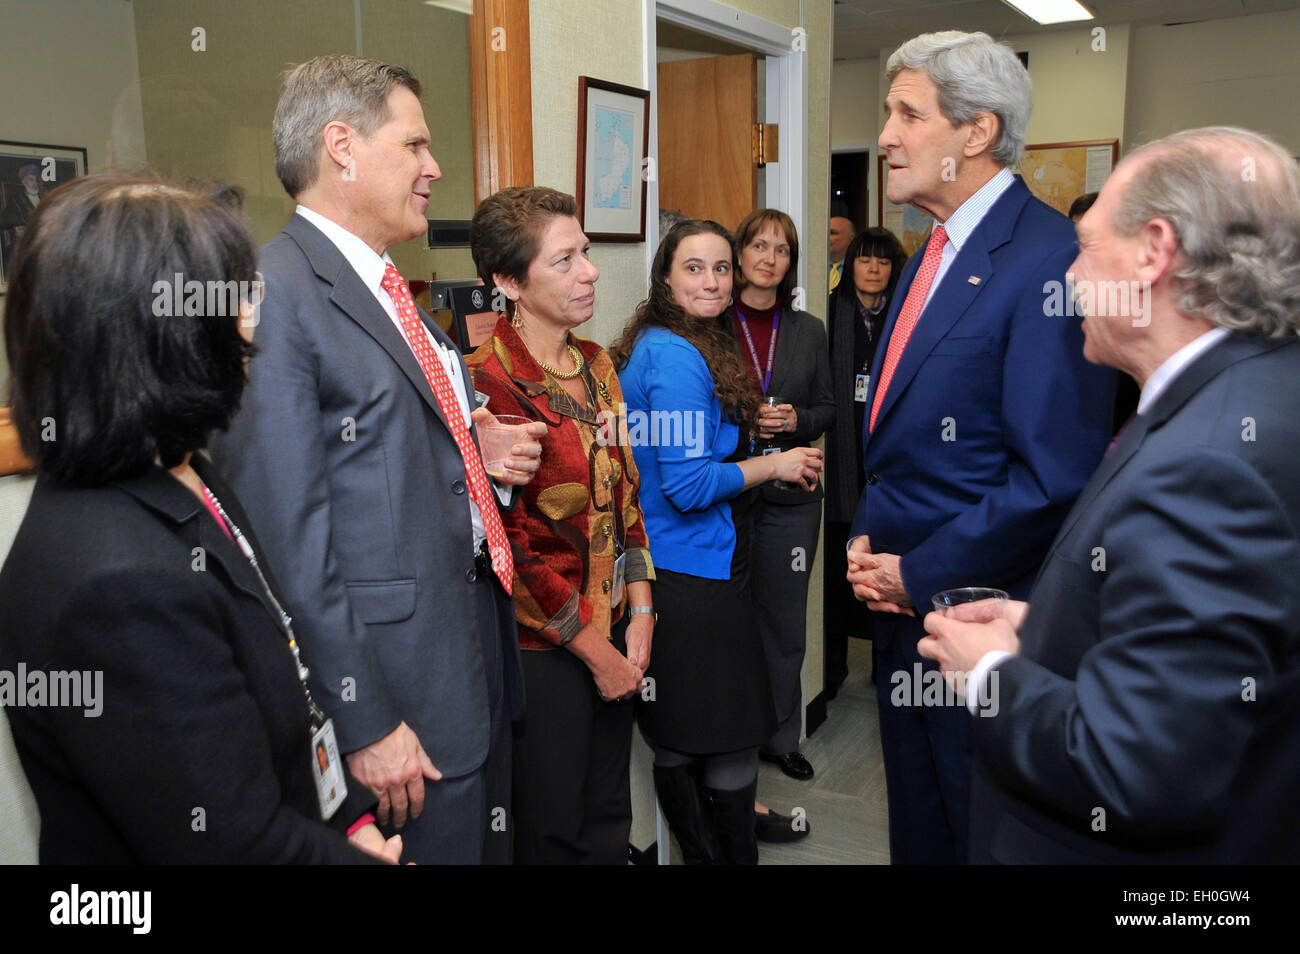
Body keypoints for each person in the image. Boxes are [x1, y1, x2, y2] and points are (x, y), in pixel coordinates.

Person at [921, 126, 1300, 863]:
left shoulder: (1209, 466)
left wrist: (990, 674)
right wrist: (1053, 630)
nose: (1069, 276)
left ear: (1154, 252)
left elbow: (1142, 768)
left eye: (1086, 247)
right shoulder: (1255, 390)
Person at [0, 172, 400, 863]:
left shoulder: (181, 470)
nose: (250, 316)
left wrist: (350, 819)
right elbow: (232, 843)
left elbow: (287, 684)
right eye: (233, 293)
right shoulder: (117, 584)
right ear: (163, 332)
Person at [209, 54, 544, 865]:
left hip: (470, 653)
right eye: (415, 144)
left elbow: (398, 445)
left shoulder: (390, 286)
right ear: (342, 147)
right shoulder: (276, 293)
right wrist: (362, 721)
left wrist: (478, 447)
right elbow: (286, 542)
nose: (435, 168)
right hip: (396, 699)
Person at [845, 30, 1113, 864]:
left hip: (983, 621)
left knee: (979, 835)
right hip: (901, 614)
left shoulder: (1048, 261)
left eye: (907, 114)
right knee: (920, 830)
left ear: (976, 132)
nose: (884, 136)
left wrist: (918, 572)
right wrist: (870, 538)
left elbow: (1055, 477)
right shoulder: (929, 253)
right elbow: (899, 435)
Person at [611, 220, 822, 864]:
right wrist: (776, 463)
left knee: (683, 732)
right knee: (727, 738)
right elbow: (690, 485)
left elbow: (688, 451)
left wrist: (751, 439)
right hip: (691, 574)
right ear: (665, 278)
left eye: (722, 268)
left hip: (676, 567)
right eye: (694, 267)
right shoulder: (675, 356)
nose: (712, 281)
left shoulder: (675, 341)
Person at [465, 186, 653, 864]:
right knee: (553, 832)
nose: (590, 272)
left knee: (608, 819)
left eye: (586, 252)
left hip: (618, 626)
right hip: (546, 651)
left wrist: (642, 610)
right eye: (565, 260)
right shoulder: (487, 384)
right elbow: (506, 548)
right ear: (509, 282)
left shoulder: (598, 364)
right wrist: (598, 653)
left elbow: (627, 497)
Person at [731, 208, 833, 805]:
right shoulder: (712, 326)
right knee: (731, 620)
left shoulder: (808, 330)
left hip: (793, 500)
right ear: (740, 253)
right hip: (728, 491)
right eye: (759, 245)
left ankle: (782, 737)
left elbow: (829, 409)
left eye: (782, 249)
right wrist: (746, 420)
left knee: (785, 624)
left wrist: (797, 421)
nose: (769, 258)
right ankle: (736, 736)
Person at [823, 227, 906, 697]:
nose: (874, 269)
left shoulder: (907, 315)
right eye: (864, 259)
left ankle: (884, 665)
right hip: (840, 455)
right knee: (839, 567)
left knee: (884, 557)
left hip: (890, 455)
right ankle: (831, 669)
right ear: (850, 265)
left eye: (883, 261)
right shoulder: (829, 313)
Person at [827, 200, 854, 293]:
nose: (827, 237)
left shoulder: (858, 269)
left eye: (833, 233)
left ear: (850, 240)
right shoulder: (814, 267)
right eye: (826, 233)